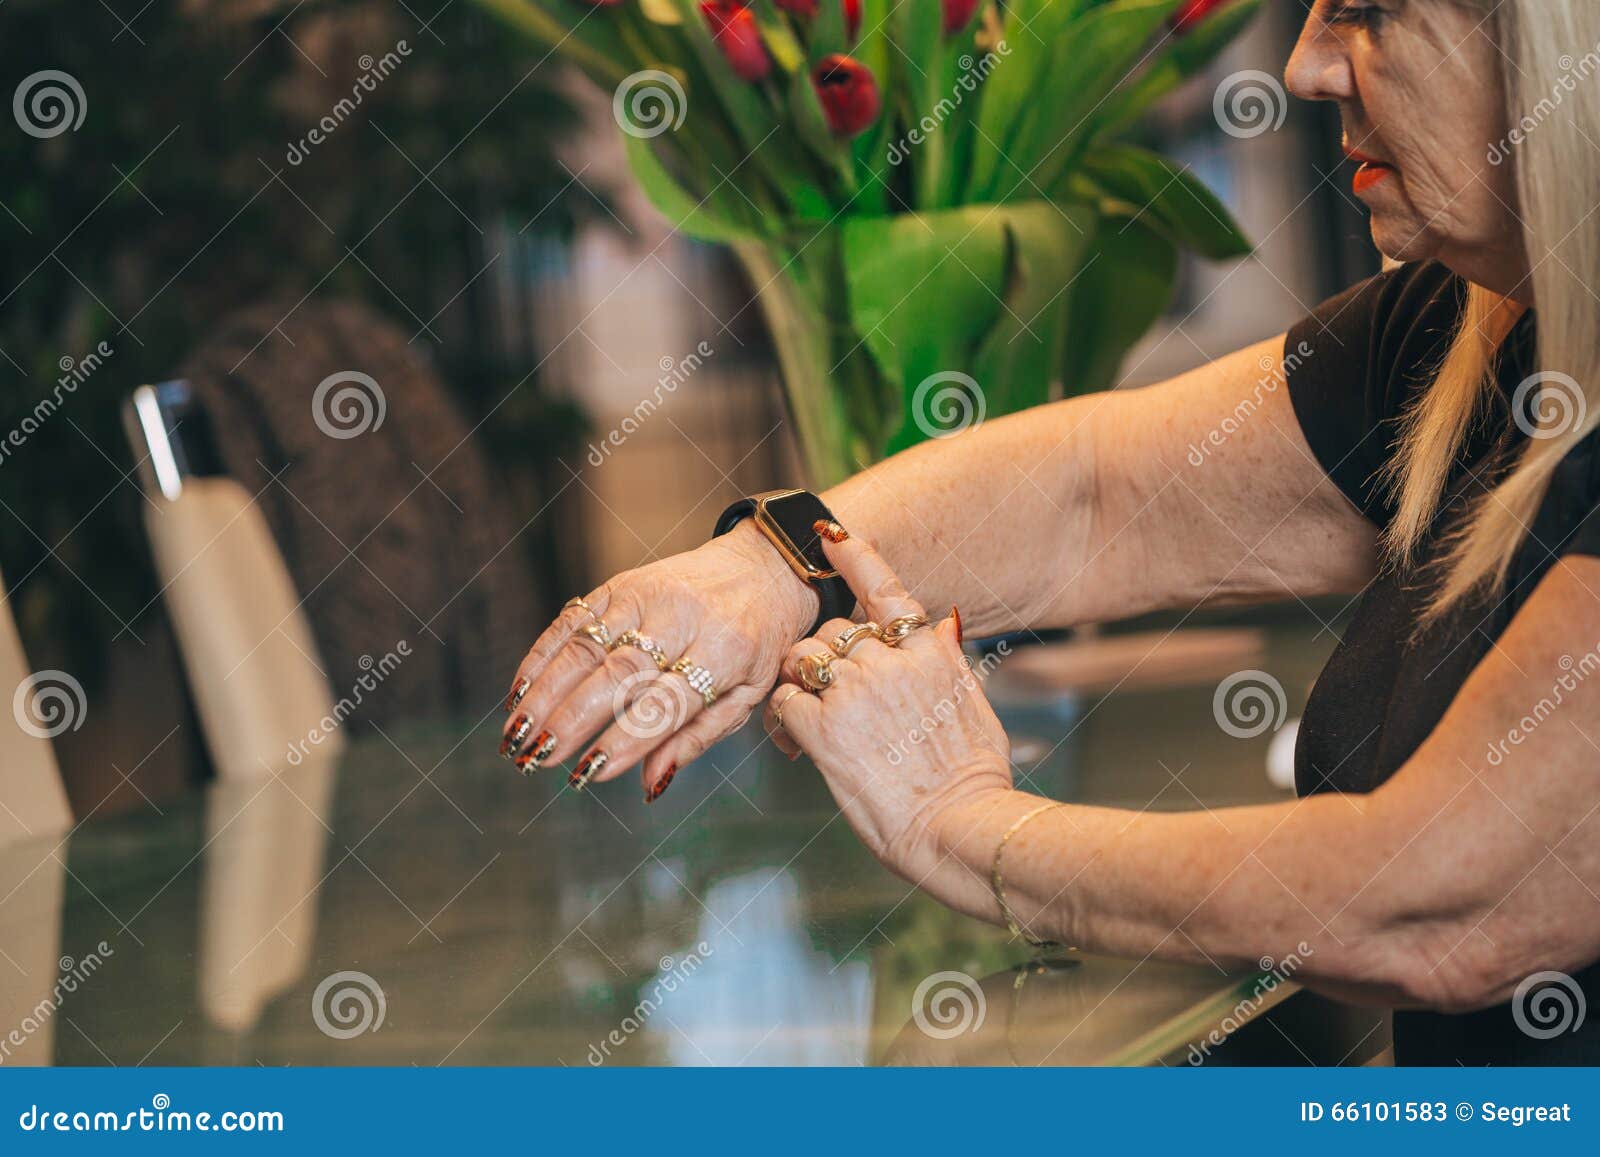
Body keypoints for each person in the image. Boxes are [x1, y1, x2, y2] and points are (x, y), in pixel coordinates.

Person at [502, 0, 1600, 1064]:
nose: (1307, 66)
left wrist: (961, 822)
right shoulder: (1485, 322)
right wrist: (773, 568)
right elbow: (1097, 491)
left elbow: (1441, 900)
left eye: (1370, 9)